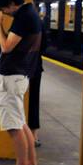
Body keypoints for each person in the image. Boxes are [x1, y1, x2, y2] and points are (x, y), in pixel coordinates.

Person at [0, 0, 41, 165]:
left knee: (13, 126)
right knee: (20, 122)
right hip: (19, 75)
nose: (2, 13)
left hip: (11, 76)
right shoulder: (30, 13)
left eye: (2, 9)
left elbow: (6, 47)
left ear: (11, 4)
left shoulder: (23, 17)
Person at [27, 13, 47, 146]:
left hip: (21, 68)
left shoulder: (20, 22)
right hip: (36, 66)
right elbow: (45, 45)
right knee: (34, 100)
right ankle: (34, 135)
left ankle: (28, 135)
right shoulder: (40, 23)